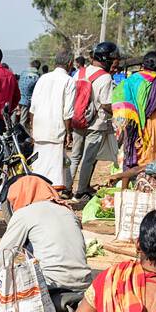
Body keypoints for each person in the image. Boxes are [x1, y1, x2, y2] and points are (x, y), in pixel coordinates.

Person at [0, 177, 92, 312]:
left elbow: (1, 261)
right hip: (84, 283)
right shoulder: (68, 212)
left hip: (51, 284)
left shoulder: (24, 214)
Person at [69, 41, 117, 199]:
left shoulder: (80, 73)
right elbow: (105, 103)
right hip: (96, 124)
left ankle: (66, 188)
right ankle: (81, 190)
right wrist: (116, 112)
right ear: (107, 59)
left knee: (75, 156)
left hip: (77, 120)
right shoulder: (106, 78)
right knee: (88, 159)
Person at [111, 50, 156, 169]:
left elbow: (119, 98)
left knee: (131, 150)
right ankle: (149, 182)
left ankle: (126, 184)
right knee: (152, 155)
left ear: (143, 64)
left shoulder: (131, 80)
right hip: (154, 123)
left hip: (133, 122)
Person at [27, 49, 75, 189]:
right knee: (54, 170)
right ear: (70, 63)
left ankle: (38, 194)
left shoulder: (43, 78)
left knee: (40, 166)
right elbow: (67, 112)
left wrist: (32, 128)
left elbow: (33, 107)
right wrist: (69, 132)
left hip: (40, 128)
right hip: (56, 128)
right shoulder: (69, 81)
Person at [16, 58, 41, 128]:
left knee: (14, 118)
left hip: (17, 97)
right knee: (23, 120)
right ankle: (20, 134)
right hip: (27, 99)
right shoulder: (37, 76)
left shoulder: (23, 72)